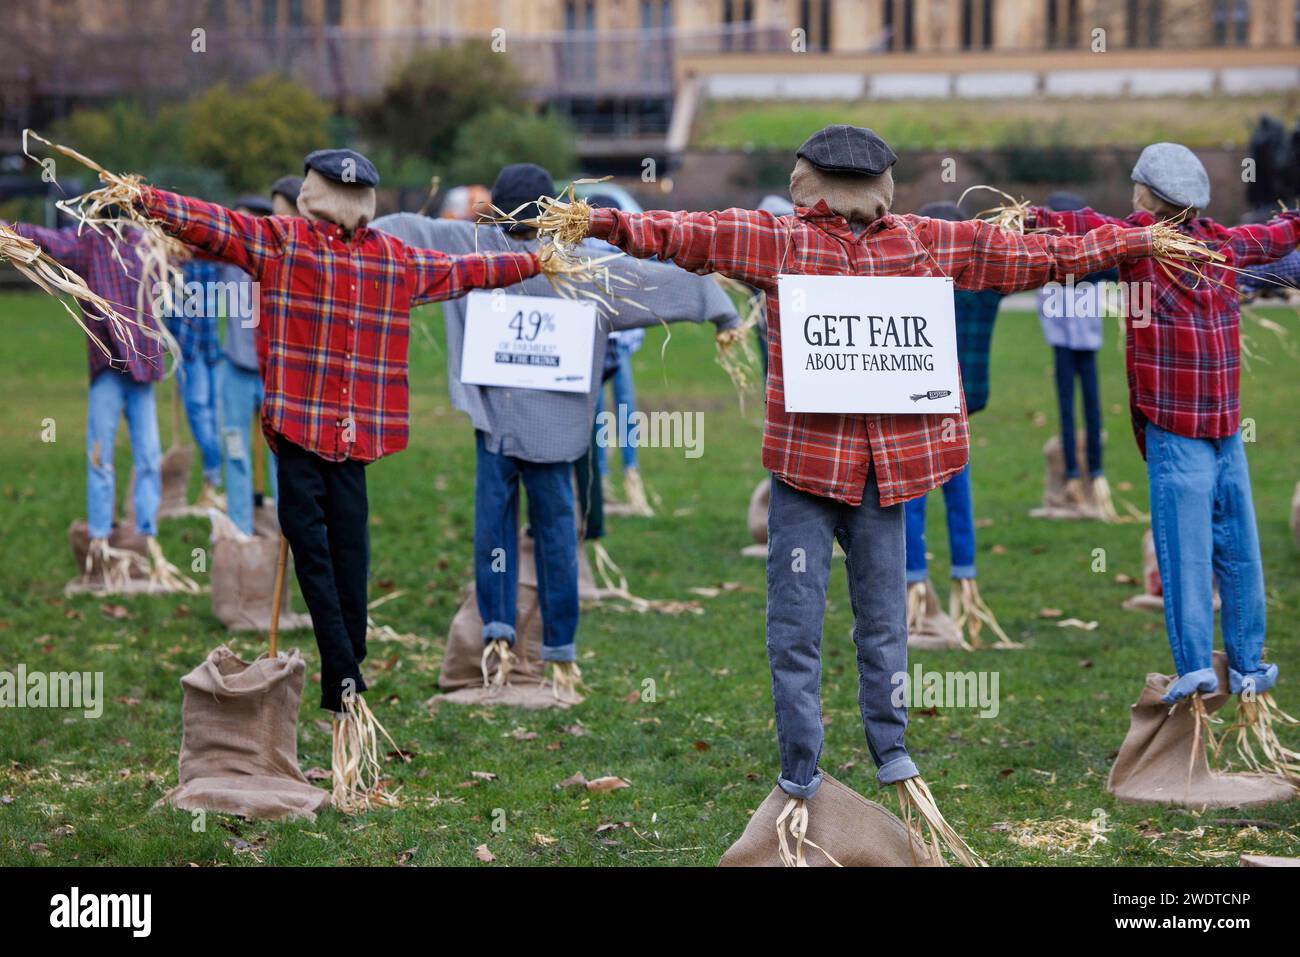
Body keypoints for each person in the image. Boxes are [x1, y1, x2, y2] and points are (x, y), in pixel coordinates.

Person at [566, 124, 1169, 854]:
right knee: (797, 628)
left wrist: (1133, 244)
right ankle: (799, 775)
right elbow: (687, 234)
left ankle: (891, 754)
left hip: (885, 475)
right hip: (807, 473)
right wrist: (599, 221)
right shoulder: (780, 240)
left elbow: (1031, 255)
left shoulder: (918, 242)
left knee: (881, 623)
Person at [135, 148, 543, 716]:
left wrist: (145, 199)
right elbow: (465, 273)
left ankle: (345, 668)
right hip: (348, 439)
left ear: (314, 195)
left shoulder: (284, 242)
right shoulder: (387, 256)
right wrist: (537, 261)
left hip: (308, 435)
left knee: (322, 555)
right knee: (346, 554)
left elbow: (216, 225)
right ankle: (347, 666)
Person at [372, 162, 739, 695]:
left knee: (505, 530)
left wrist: (344, 228)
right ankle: (549, 651)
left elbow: (404, 229)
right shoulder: (561, 263)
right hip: (531, 429)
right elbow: (657, 281)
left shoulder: (487, 249)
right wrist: (720, 309)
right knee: (552, 534)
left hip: (517, 427)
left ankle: (512, 643)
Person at [1029, 143, 1300, 706]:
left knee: (1185, 551)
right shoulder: (1223, 244)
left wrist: (1030, 217)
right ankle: (1250, 665)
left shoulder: (1139, 245)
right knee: (1240, 548)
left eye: (1136, 187)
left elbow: (1083, 227)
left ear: (1147, 196)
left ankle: (1197, 667)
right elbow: (1278, 236)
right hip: (1226, 429)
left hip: (1174, 430)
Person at [5, 208, 183, 583]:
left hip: (144, 367)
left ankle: (144, 536)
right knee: (100, 455)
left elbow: (180, 256)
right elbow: (47, 240)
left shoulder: (147, 245)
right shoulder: (90, 244)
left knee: (149, 456)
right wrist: (6, 230)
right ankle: (101, 538)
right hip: (107, 366)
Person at [903, 200, 1009, 647]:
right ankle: (965, 581)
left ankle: (915, 593)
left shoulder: (913, 279)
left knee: (913, 495)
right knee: (957, 488)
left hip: (919, 397)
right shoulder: (985, 282)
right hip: (964, 402)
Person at [1035, 191, 1119, 509]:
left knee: (1088, 407)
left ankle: (1092, 472)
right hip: (1066, 342)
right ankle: (1075, 472)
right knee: (1073, 407)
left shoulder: (1087, 259)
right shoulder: (1057, 258)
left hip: (1083, 341)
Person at [217, 193, 275, 535]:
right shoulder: (227, 258)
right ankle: (240, 528)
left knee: (283, 456)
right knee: (235, 448)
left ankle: (288, 529)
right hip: (236, 371)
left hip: (273, 376)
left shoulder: (275, 259)